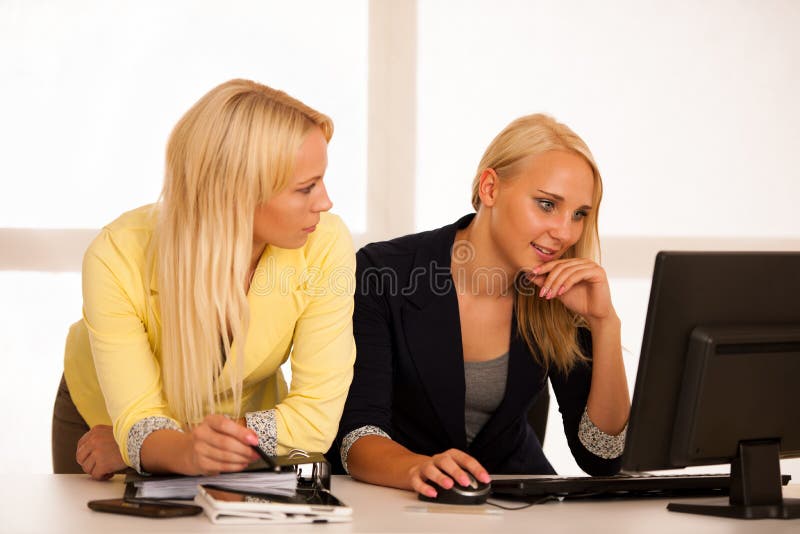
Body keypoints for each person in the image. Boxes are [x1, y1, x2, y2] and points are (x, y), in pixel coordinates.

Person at [52, 79, 356, 480]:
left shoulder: (325, 241)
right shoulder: (116, 255)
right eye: (306, 188)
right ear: (236, 193)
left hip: (197, 433)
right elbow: (138, 416)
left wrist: (139, 449)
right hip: (101, 423)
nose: (325, 202)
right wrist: (152, 444)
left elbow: (315, 419)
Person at [330, 114, 630, 499]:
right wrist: (417, 466)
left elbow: (602, 457)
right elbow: (357, 436)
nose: (565, 232)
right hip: (398, 498)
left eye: (579, 215)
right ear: (490, 188)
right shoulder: (384, 272)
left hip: (515, 503)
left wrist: (604, 323)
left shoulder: (559, 290)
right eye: (546, 204)